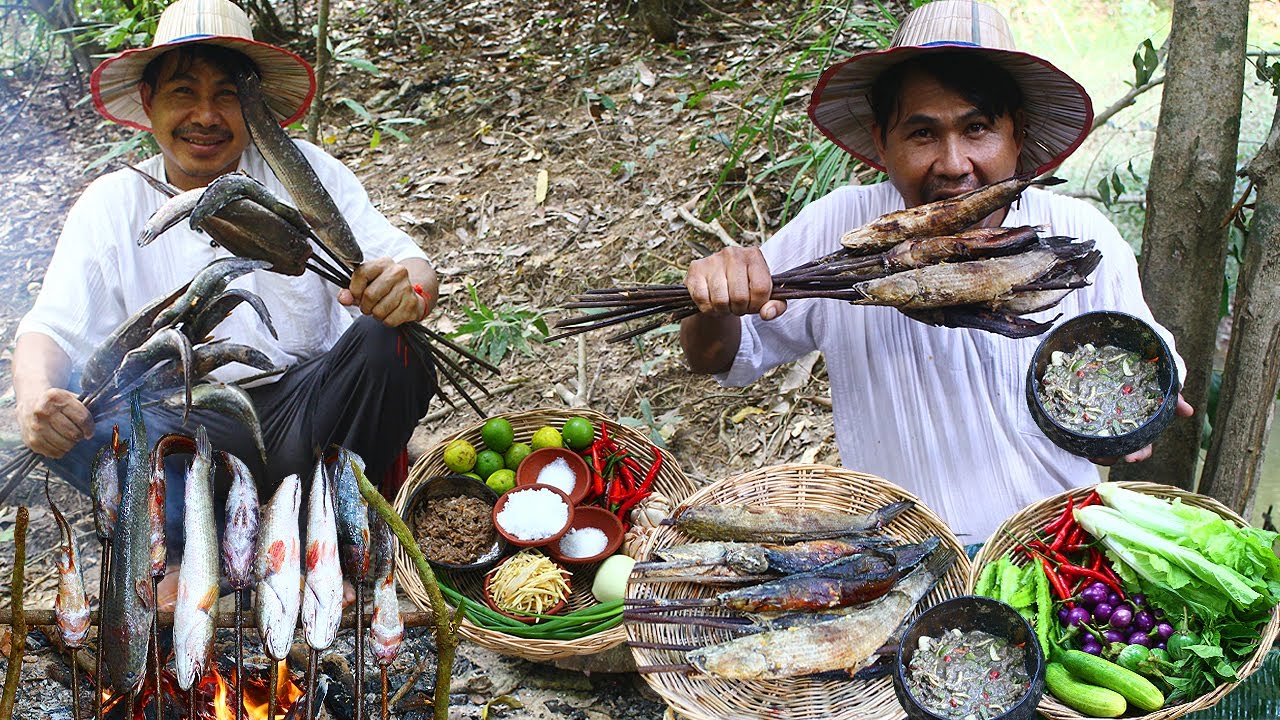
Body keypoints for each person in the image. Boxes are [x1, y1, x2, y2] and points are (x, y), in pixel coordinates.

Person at [679, 0, 1192, 542]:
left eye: (977, 128)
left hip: (1056, 545)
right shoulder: (838, 229)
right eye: (922, 134)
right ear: (882, 141)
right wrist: (712, 301)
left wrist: (1132, 419)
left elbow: (1145, 366)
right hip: (902, 553)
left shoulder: (1078, 235)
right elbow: (717, 356)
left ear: (1017, 134)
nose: (953, 164)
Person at [12, 0, 437, 595]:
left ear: (254, 106)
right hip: (182, 436)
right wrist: (35, 399)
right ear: (150, 103)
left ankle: (320, 539)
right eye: (183, 92)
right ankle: (184, 548)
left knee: (391, 344)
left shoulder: (301, 173)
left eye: (228, 95)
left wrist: (404, 291)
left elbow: (409, 264)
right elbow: (51, 330)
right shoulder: (112, 203)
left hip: (307, 419)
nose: (205, 116)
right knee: (77, 409)